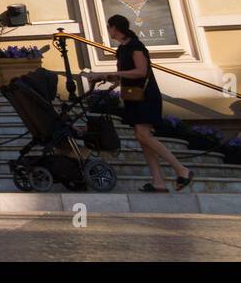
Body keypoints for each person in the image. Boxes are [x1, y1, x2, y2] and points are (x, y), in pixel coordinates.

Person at [82, 14, 193, 193]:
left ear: (115, 28)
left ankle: (181, 169)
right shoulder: (121, 49)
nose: (108, 31)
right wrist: (102, 77)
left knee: (143, 135)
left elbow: (141, 71)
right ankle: (158, 182)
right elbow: (124, 74)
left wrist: (116, 75)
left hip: (146, 96)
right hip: (132, 97)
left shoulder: (136, 46)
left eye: (109, 27)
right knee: (143, 139)